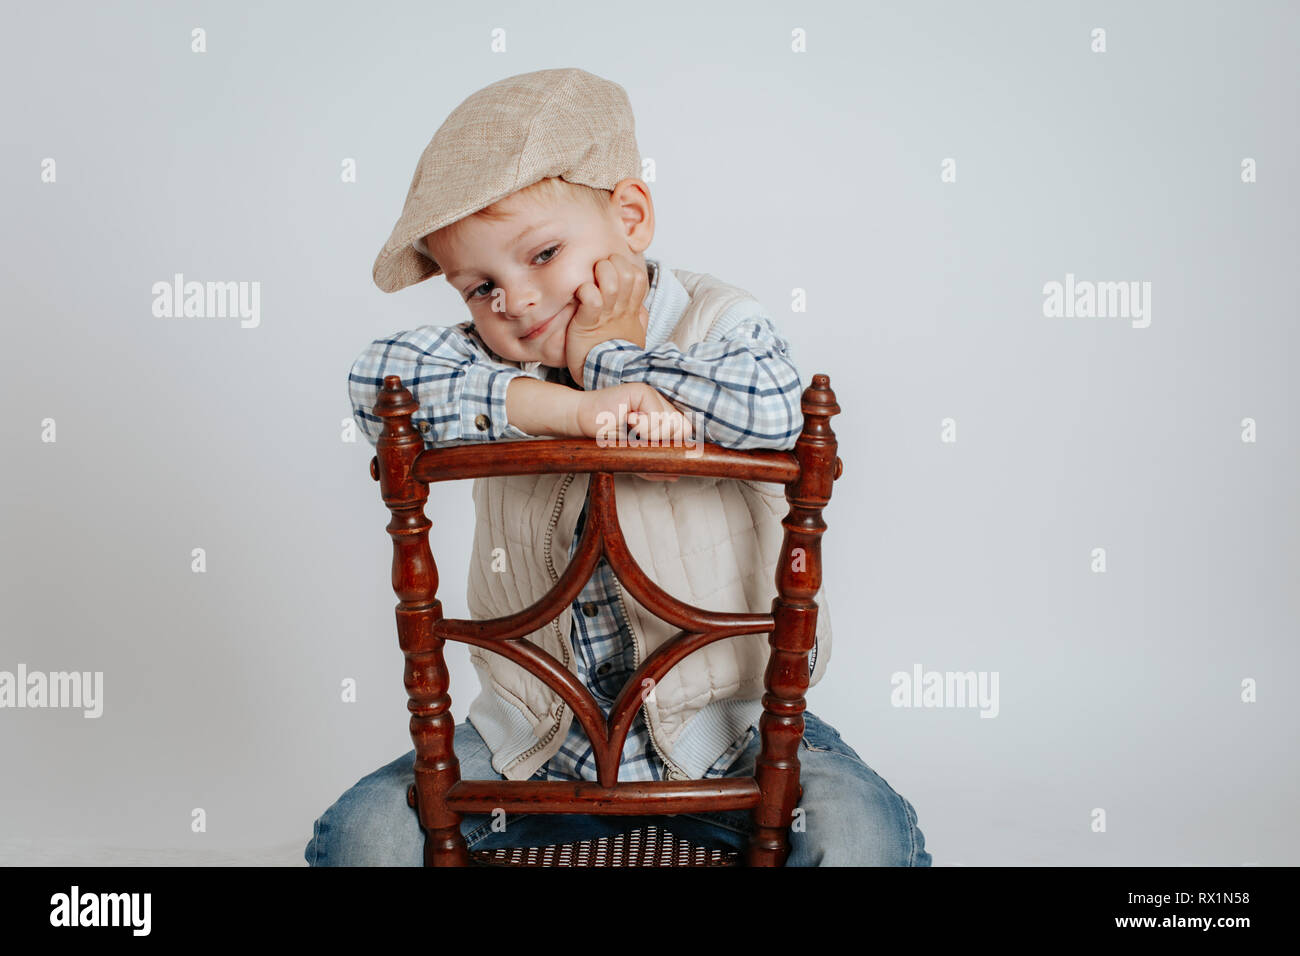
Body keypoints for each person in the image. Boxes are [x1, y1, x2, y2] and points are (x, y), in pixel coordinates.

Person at [307, 67, 931, 866]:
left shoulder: (716, 323)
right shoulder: (490, 363)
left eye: (543, 253)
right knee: (363, 838)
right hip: (538, 743)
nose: (520, 302)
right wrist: (568, 409)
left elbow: (773, 406)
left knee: (860, 840)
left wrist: (611, 357)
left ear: (630, 216)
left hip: (730, 736)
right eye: (481, 288)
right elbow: (375, 381)